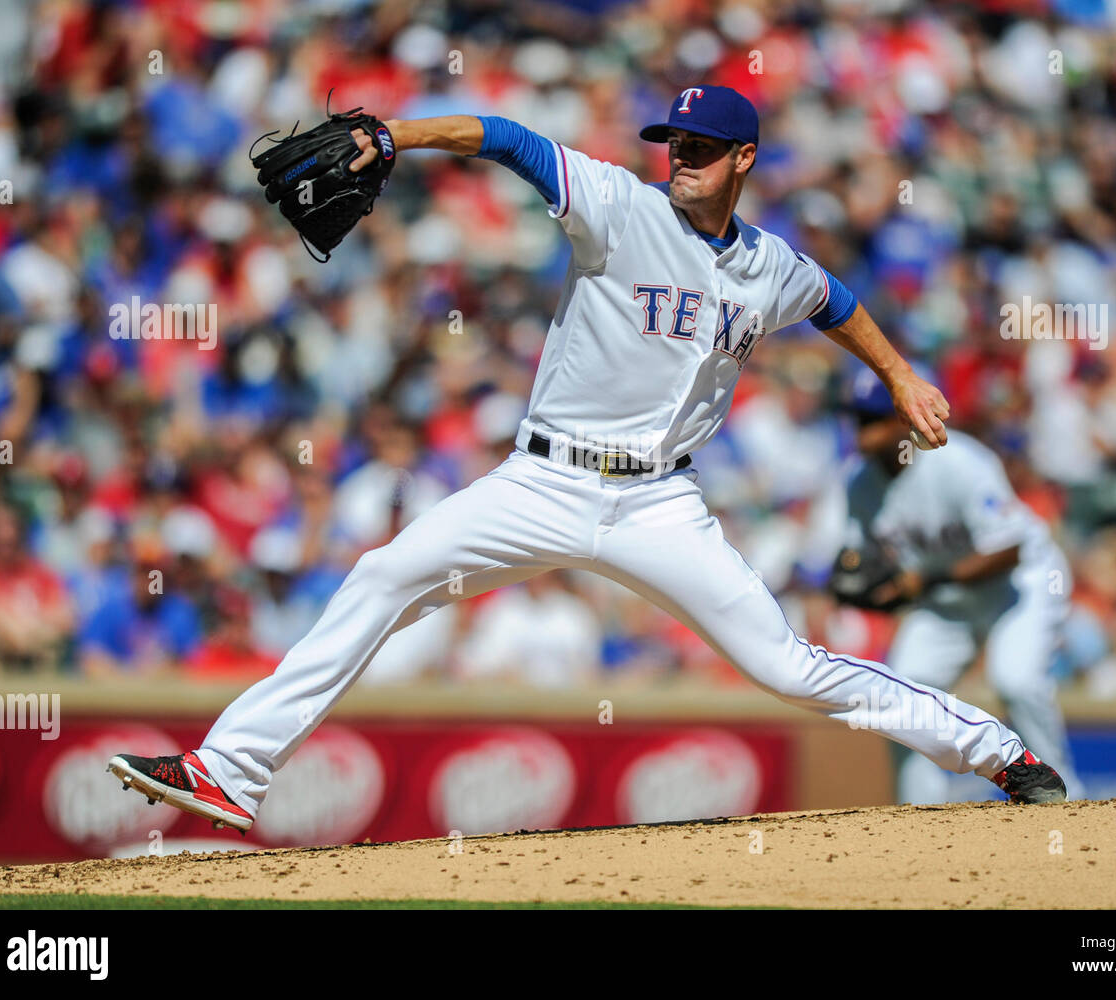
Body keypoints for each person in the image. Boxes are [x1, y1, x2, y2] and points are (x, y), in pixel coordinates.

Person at [108, 86, 1066, 832]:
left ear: (744, 159)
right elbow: (508, 137)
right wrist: (395, 136)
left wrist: (900, 375)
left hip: (662, 506)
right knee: (383, 573)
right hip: (543, 481)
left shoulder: (770, 264)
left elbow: (835, 303)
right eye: (672, 144)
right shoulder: (617, 202)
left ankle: (999, 755)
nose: (678, 158)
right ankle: (228, 774)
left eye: (698, 148)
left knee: (786, 666)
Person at [836, 368, 1081, 803]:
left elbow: (1009, 549)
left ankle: (1063, 800)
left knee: (1017, 681)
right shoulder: (859, 483)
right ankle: (921, 813)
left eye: (873, 418)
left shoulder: (958, 460)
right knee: (902, 693)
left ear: (905, 419)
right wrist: (855, 583)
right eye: (857, 419)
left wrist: (923, 580)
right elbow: (860, 561)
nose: (863, 431)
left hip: (1017, 585)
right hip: (945, 599)